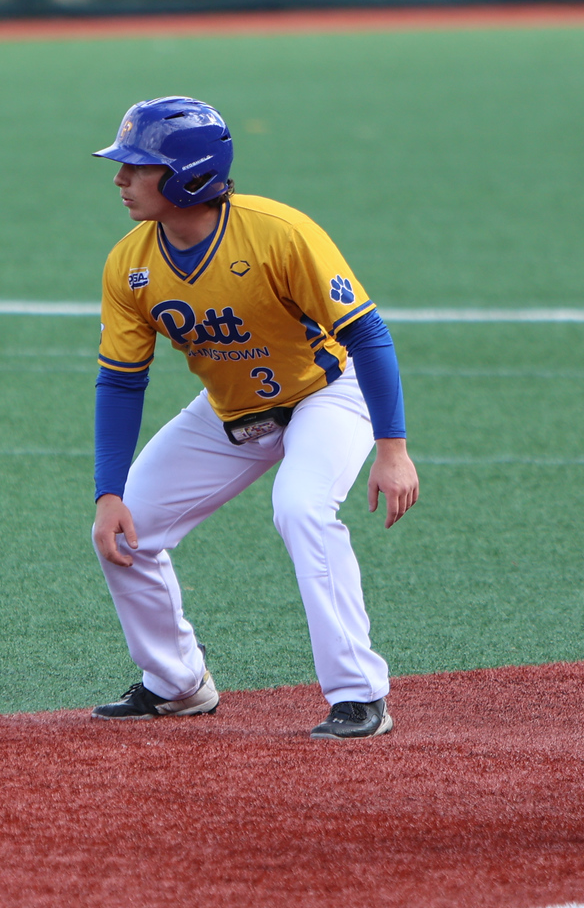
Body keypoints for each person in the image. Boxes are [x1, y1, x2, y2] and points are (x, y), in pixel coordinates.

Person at [86, 96, 418, 740]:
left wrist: (393, 447)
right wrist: (108, 491)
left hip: (325, 393)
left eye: (138, 166)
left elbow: (369, 335)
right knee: (127, 532)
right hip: (228, 412)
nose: (121, 179)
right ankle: (177, 684)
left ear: (188, 175)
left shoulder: (278, 233)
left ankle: (359, 695)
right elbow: (121, 382)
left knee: (300, 506)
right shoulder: (129, 264)